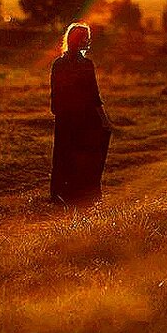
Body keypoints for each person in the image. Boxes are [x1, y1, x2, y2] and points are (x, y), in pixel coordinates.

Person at [50, 22, 112, 206]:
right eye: (86, 38)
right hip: (83, 119)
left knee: (63, 156)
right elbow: (93, 95)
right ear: (81, 41)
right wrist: (104, 119)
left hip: (63, 118)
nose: (89, 41)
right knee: (87, 156)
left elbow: (55, 94)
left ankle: (61, 195)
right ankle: (85, 195)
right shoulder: (86, 65)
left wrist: (60, 113)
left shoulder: (58, 64)